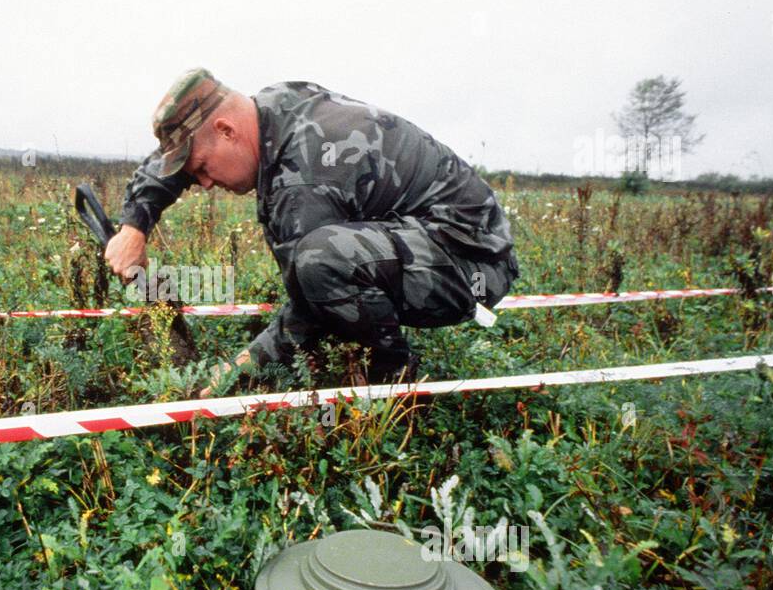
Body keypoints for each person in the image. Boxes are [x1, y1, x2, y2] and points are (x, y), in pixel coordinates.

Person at [104, 67, 519, 396]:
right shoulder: (271, 107)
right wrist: (134, 226)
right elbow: (170, 157)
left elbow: (307, 308)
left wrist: (233, 374)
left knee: (320, 262)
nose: (206, 184)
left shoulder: (304, 179)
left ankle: (391, 383)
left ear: (228, 131)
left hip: (472, 263)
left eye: (201, 170)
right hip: (428, 236)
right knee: (324, 265)